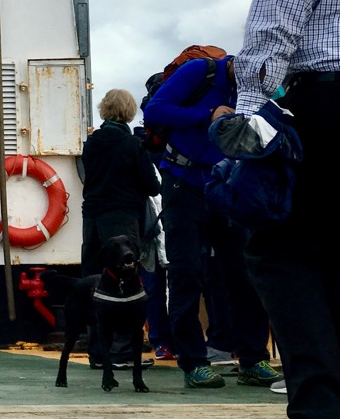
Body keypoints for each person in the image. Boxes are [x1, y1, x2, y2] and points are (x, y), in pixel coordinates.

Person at [233, 0, 340, 419]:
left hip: (326, 100)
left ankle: (319, 414)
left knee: (283, 253)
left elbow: (277, 17)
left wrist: (252, 120)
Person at [143, 54, 280, 390]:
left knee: (243, 270)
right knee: (187, 270)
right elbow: (154, 111)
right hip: (183, 182)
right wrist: (207, 114)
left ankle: (253, 358)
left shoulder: (258, 87)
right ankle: (193, 361)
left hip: (227, 184)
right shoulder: (198, 72)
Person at [79, 89, 160, 367]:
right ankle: (123, 352)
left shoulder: (91, 143)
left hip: (91, 218)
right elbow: (152, 185)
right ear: (129, 111)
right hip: (122, 220)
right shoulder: (131, 144)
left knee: (95, 283)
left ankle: (98, 354)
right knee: (125, 284)